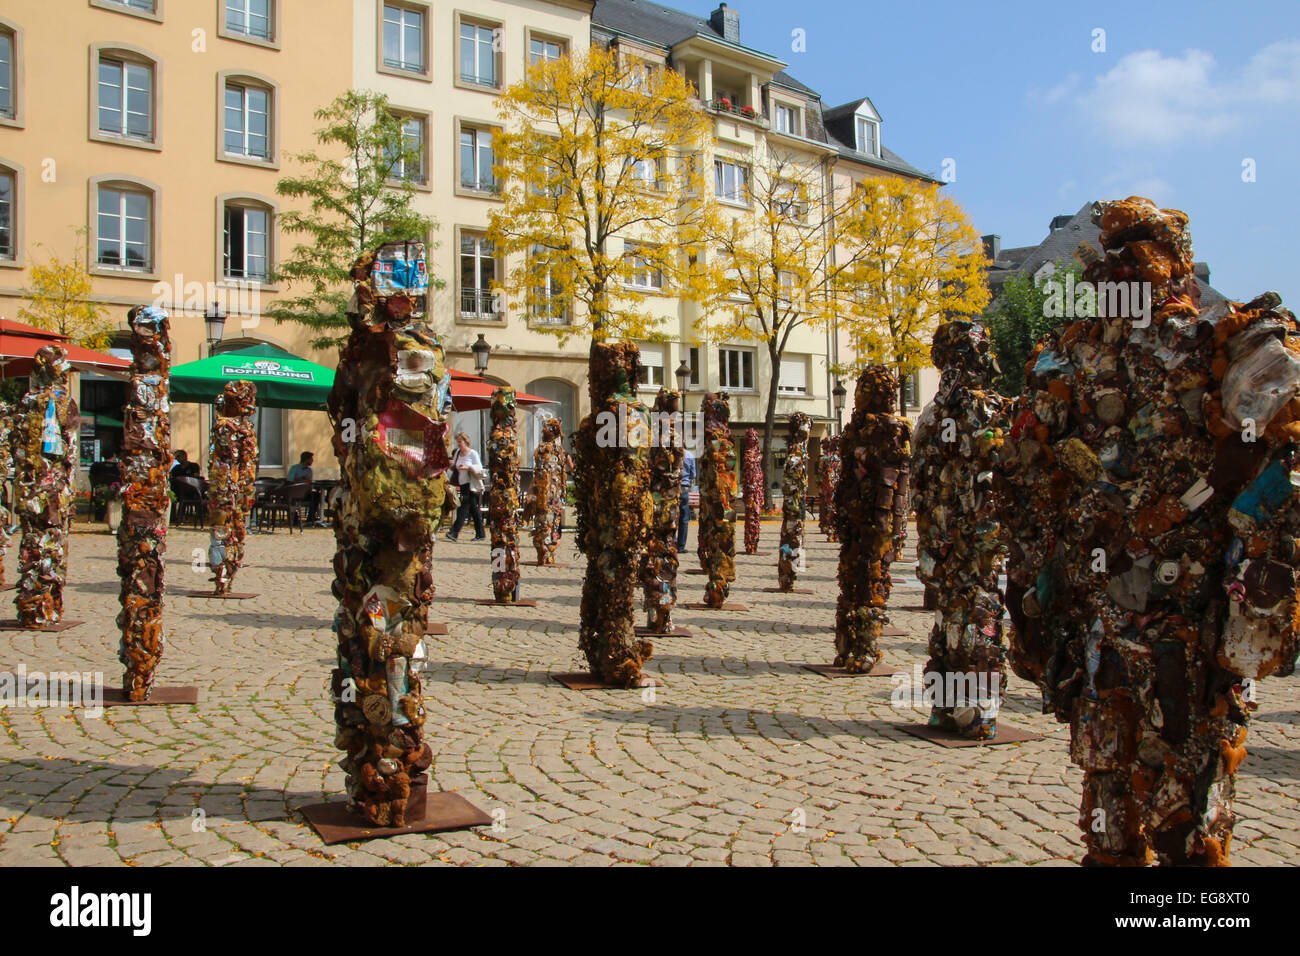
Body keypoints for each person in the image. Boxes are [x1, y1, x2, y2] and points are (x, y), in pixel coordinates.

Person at [445, 432, 486, 541]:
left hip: (471, 485)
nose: (458, 444)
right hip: (462, 484)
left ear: (466, 442)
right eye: (457, 441)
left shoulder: (473, 453)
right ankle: (481, 534)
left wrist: (468, 467)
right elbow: (455, 467)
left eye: (460, 441)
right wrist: (451, 466)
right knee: (473, 510)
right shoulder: (457, 453)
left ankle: (454, 532)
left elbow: (479, 468)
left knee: (463, 508)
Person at [286, 451, 327, 527]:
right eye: (311, 459)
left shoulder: (309, 470)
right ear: (306, 459)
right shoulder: (295, 468)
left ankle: (311, 518)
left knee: (317, 496)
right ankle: (294, 520)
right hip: (295, 492)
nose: (312, 461)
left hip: (306, 492)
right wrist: (303, 478)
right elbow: (290, 480)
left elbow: (309, 482)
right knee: (292, 499)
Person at [676, 446, 696, 553]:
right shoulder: (690, 455)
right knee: (683, 518)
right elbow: (693, 474)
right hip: (684, 488)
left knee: (671, 515)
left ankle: (670, 542)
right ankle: (680, 546)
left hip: (672, 487)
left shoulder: (672, 454)